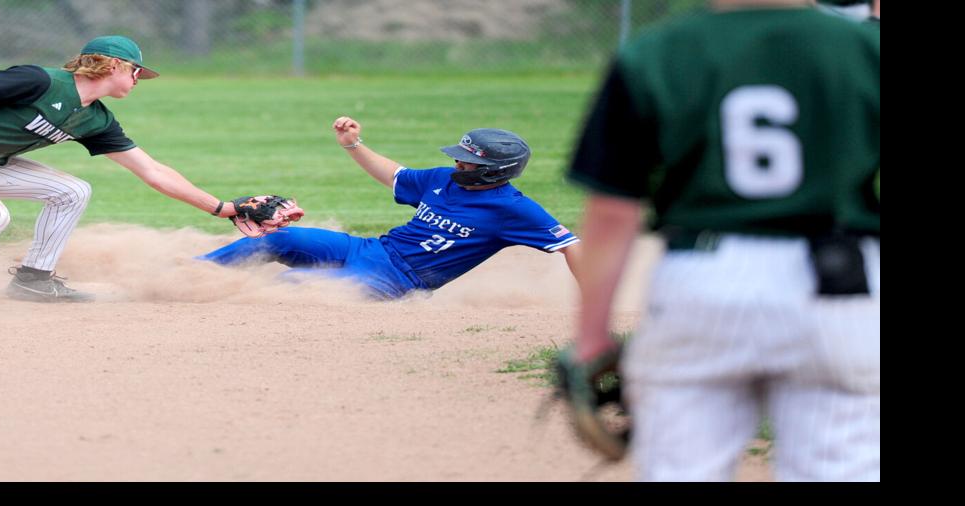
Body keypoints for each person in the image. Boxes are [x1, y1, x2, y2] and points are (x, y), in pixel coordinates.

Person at [564, 0, 880, 481]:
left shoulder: (657, 52)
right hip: (839, 287)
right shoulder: (864, 47)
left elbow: (612, 212)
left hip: (703, 279)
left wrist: (591, 338)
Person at [0, 36, 253, 320]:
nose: (140, 79)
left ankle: (34, 279)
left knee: (71, 191)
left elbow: (152, 171)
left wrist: (223, 208)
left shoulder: (96, 118)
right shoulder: (41, 81)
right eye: (138, 71)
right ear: (114, 66)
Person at [197, 118, 582, 299]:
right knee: (280, 238)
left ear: (495, 171)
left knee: (294, 288)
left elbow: (571, 244)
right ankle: (191, 274)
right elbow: (393, 174)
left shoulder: (515, 210)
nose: (458, 164)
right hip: (369, 249)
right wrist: (352, 144)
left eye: (468, 161)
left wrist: (594, 301)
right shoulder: (442, 179)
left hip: (400, 280)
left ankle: (230, 305)